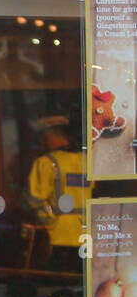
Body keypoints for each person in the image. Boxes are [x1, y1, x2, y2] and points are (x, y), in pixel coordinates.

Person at [24, 114, 88, 272]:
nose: (43, 142)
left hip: (57, 238)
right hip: (86, 236)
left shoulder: (45, 163)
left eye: (45, 137)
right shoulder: (87, 161)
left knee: (56, 283)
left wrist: (47, 223)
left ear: (53, 135)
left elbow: (34, 200)